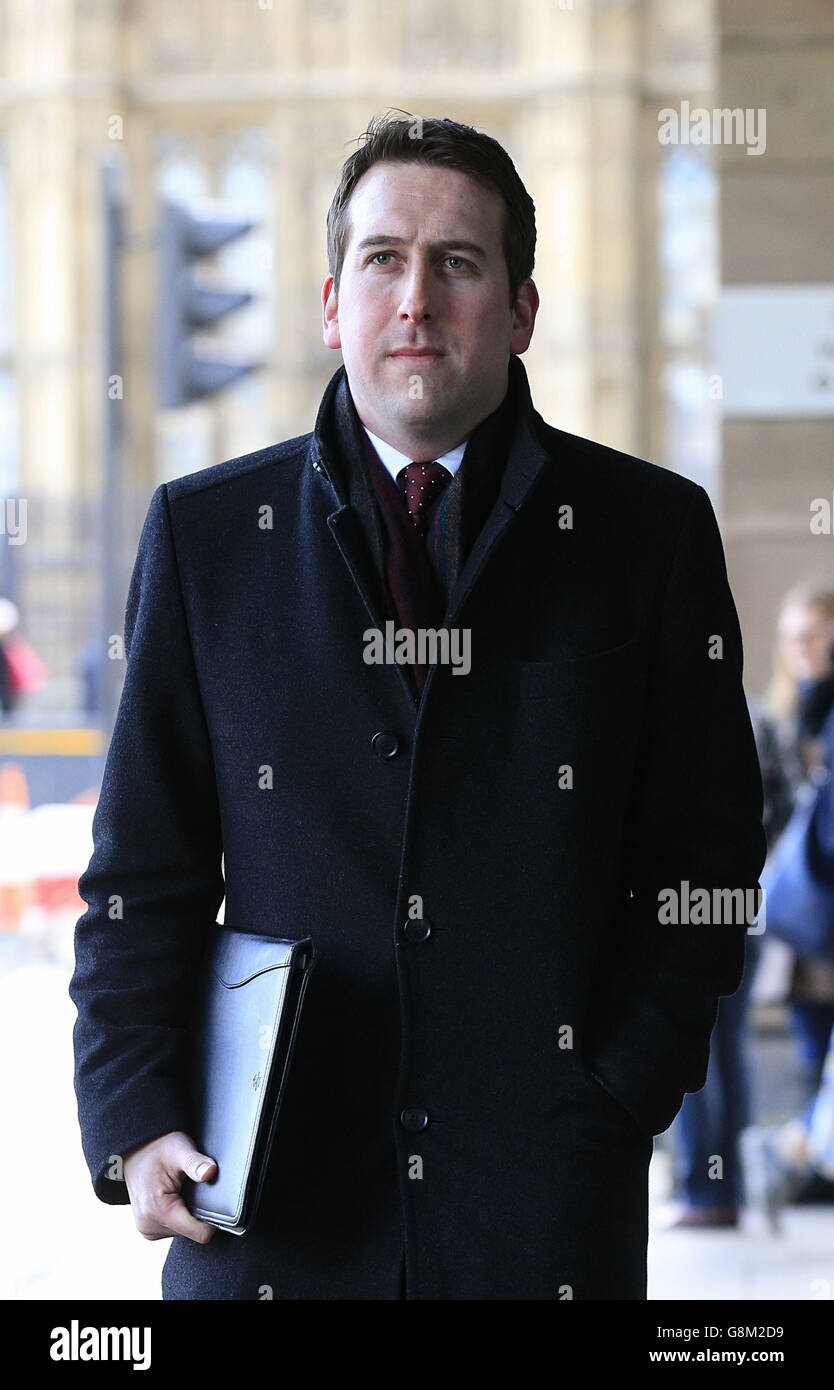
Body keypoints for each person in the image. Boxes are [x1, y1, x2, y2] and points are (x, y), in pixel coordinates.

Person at [69, 112, 767, 1301]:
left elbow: (704, 856)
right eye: (384, 260)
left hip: (540, 1219)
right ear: (333, 304)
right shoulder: (205, 540)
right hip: (272, 1211)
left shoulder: (647, 536)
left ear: (522, 309)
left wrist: (617, 1092)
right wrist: (135, 1115)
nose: (417, 300)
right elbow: (144, 872)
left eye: (458, 262)